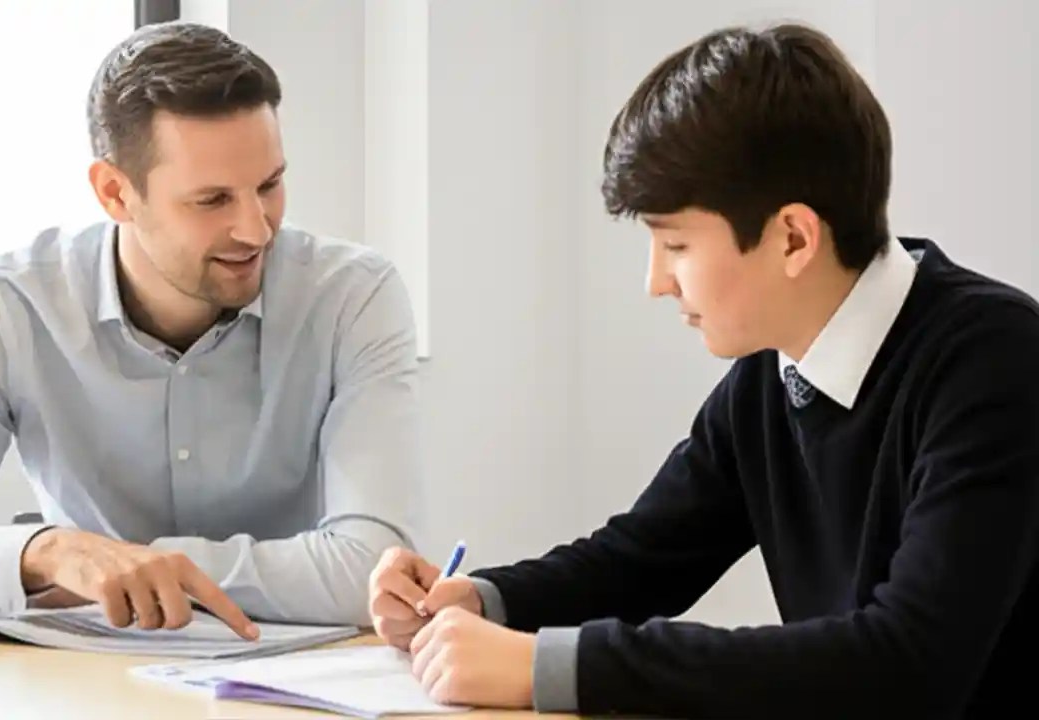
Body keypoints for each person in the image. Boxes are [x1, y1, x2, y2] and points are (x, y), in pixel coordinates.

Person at [368, 21, 1039, 718]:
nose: (656, 281)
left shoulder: (995, 360)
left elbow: (908, 664)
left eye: (675, 244)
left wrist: (557, 667)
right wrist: (481, 601)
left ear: (793, 237)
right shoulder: (772, 374)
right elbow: (642, 558)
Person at [0, 20, 421, 635]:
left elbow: (374, 573)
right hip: (80, 683)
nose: (257, 228)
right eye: (213, 200)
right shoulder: (8, 308)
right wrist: (51, 553)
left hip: (298, 683)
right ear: (115, 193)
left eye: (269, 185)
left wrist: (146, 567)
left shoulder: (354, 297)